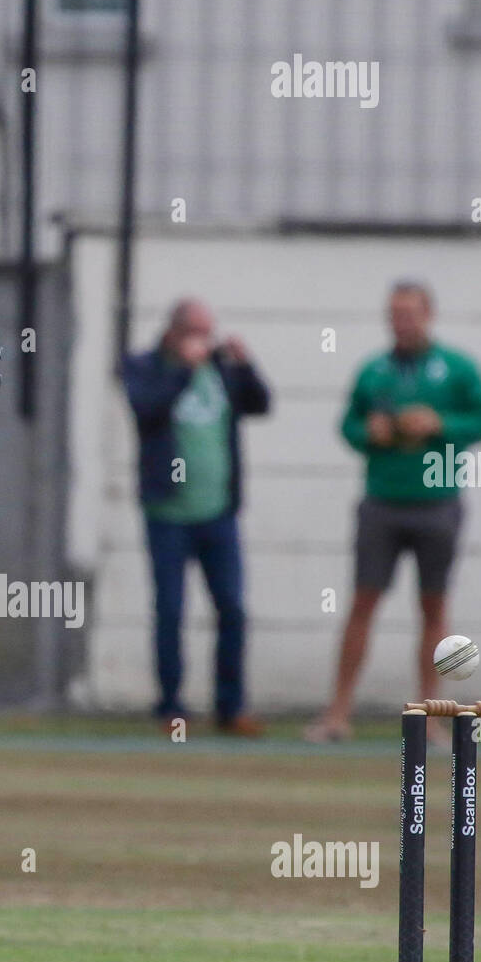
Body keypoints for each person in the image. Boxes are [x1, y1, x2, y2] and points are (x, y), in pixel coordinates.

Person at [306, 281, 481, 742]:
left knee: (434, 608)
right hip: (382, 502)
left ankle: (430, 717)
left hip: (437, 502)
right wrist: (367, 432)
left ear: (428, 315)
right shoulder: (374, 371)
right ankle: (338, 713)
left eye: (410, 313)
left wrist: (442, 424)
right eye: (394, 314)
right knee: (362, 603)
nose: (402, 322)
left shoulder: (457, 368)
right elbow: (348, 425)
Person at [121, 299, 272, 735]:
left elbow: (260, 405)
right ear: (173, 332)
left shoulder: (221, 369)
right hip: (167, 512)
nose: (203, 341)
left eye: (208, 332)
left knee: (233, 609)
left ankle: (231, 706)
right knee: (170, 608)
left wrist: (246, 365)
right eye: (194, 332)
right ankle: (170, 706)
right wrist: (184, 370)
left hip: (218, 513)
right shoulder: (145, 366)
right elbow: (147, 410)